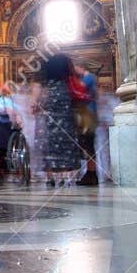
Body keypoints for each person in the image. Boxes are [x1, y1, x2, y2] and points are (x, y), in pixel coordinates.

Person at [37, 54, 83, 187]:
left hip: (50, 97)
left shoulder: (45, 62)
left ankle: (50, 176)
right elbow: (74, 75)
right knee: (66, 139)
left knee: (50, 140)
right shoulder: (65, 60)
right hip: (64, 96)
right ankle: (64, 176)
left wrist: (37, 103)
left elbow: (40, 87)